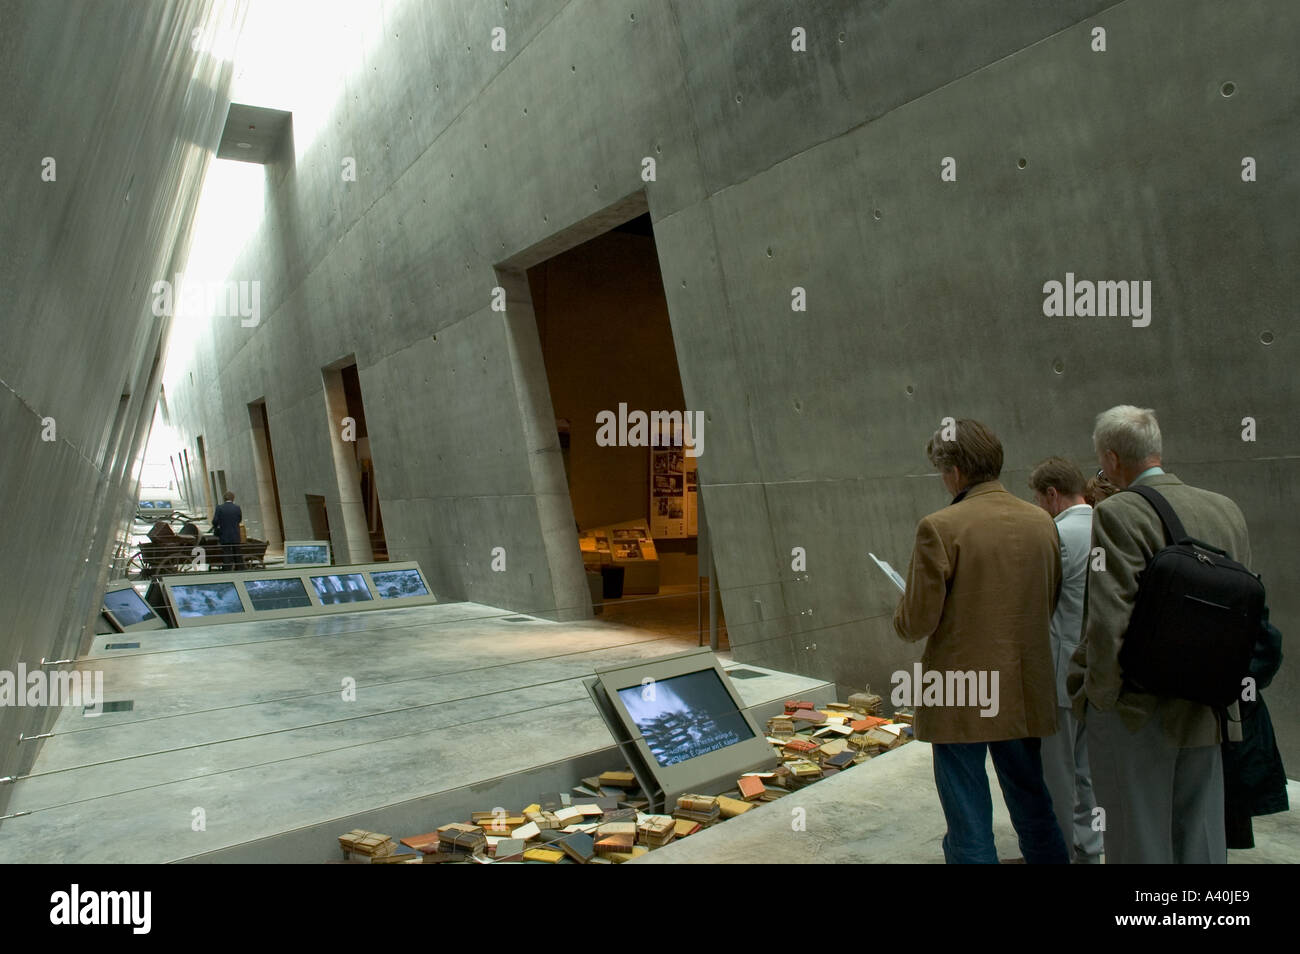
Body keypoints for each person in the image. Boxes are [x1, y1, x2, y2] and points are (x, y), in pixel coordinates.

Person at [1067, 405, 1251, 863]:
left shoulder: (1118, 513)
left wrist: (1099, 703)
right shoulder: (1225, 508)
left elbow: (1109, 622)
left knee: (1137, 839)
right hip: (1208, 703)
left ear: (1111, 459)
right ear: (1156, 450)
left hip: (1137, 709)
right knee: (1201, 836)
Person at [894, 419, 1067, 864]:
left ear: (953, 471)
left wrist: (901, 608)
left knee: (968, 817)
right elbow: (1047, 601)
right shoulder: (1042, 523)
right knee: (1033, 804)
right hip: (1023, 685)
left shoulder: (940, 526)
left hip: (960, 692)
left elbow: (917, 621)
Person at [1029, 456, 1103, 863]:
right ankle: (1090, 851)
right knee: (1089, 775)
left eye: (1039, 499)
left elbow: (1034, 605)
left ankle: (1056, 853)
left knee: (1056, 778)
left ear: (1052, 495)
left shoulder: (1056, 536)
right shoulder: (1108, 526)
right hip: (1099, 672)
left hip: (1060, 674)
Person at [211, 491, 244, 571]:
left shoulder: (219, 508)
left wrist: (216, 526)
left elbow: (215, 521)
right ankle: (240, 569)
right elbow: (239, 519)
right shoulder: (237, 508)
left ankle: (227, 569)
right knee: (237, 553)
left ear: (224, 499)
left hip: (224, 535)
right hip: (235, 534)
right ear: (233, 499)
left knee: (227, 553)